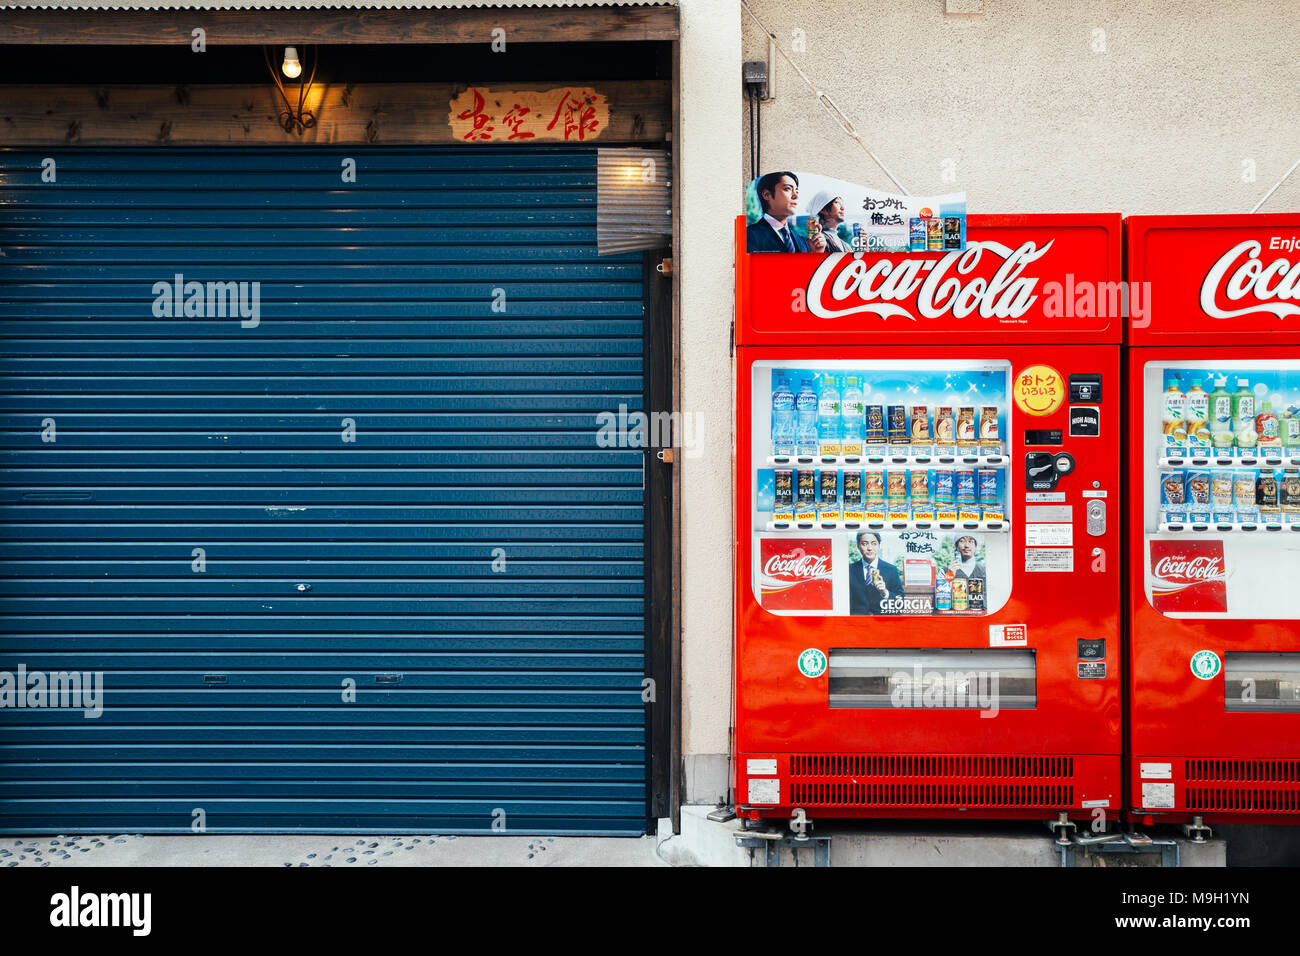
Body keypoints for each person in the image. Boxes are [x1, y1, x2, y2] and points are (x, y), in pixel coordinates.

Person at [746, 171, 827, 253]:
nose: (796, 196)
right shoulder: (748, 235)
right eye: (787, 189)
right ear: (767, 195)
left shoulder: (802, 242)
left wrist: (816, 253)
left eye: (797, 191)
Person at [849, 531, 903, 615]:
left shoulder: (891, 569)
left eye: (874, 543)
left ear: (879, 546)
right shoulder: (850, 570)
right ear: (858, 546)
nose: (870, 548)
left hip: (883, 622)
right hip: (857, 623)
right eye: (864, 543)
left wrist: (885, 592)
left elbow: (901, 601)